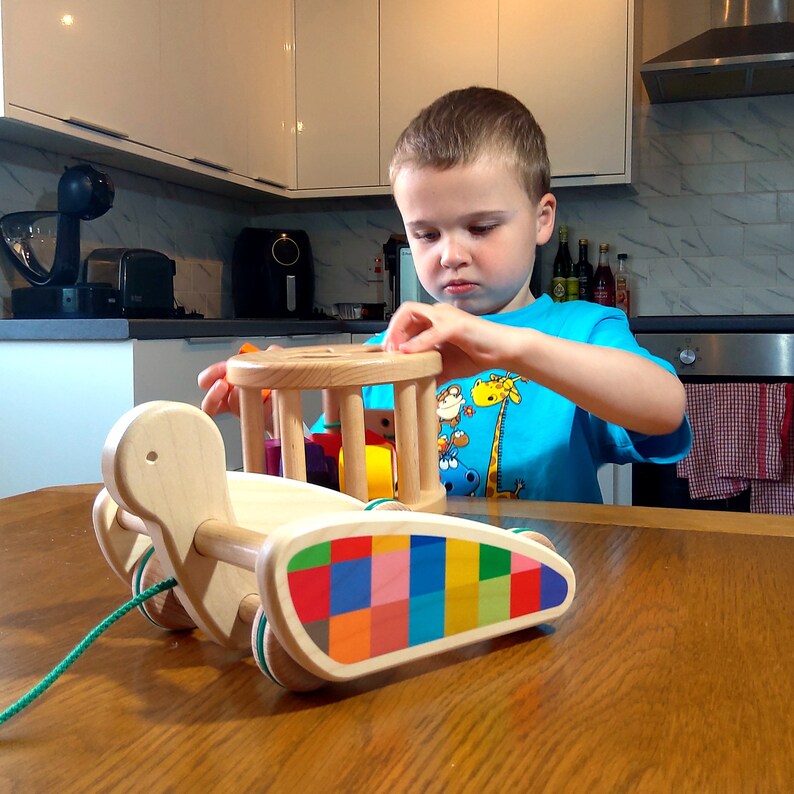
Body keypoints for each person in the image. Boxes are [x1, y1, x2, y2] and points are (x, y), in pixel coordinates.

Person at [200, 86, 690, 503]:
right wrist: (273, 419)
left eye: (479, 227)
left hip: (548, 590)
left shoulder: (581, 331)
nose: (450, 254)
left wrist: (508, 346)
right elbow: (345, 482)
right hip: (414, 589)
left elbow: (666, 410)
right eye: (427, 234)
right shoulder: (392, 352)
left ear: (543, 220)